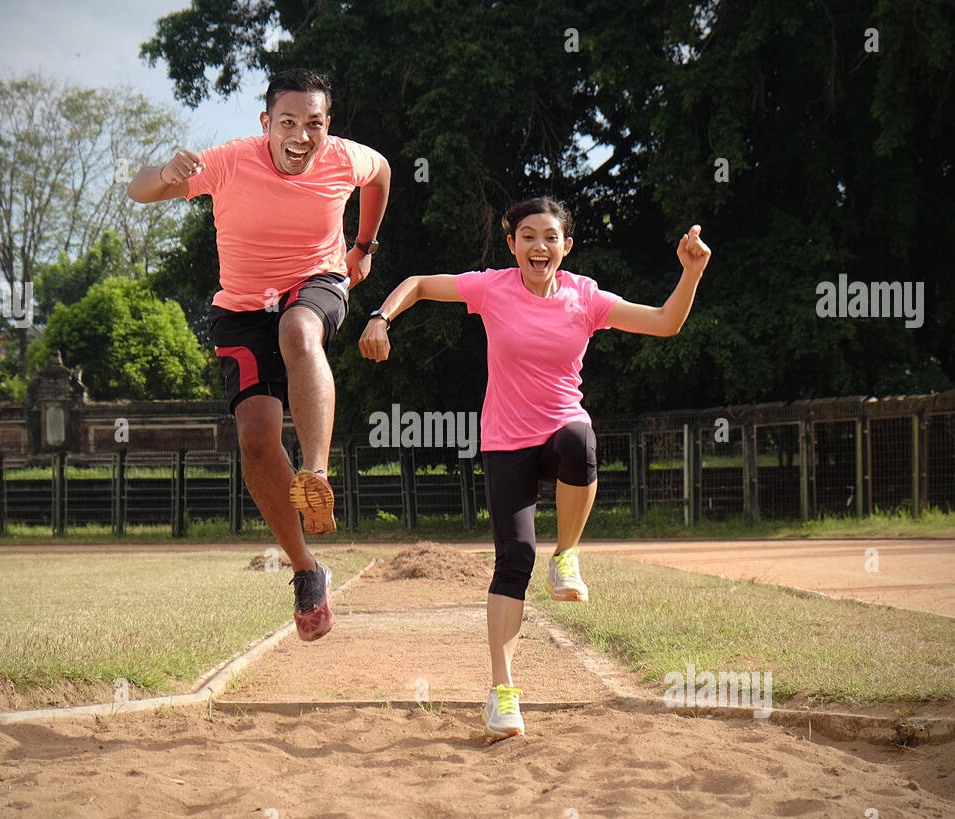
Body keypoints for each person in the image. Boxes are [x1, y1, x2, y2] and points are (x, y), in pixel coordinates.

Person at [359, 197, 710, 739]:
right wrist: (381, 316)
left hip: (559, 429)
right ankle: (503, 693)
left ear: (565, 247)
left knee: (580, 440)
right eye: (527, 236)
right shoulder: (492, 287)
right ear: (512, 246)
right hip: (505, 442)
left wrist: (690, 274)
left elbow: (665, 323)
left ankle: (567, 555)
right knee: (515, 557)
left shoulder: (585, 296)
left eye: (549, 236)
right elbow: (421, 283)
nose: (538, 246)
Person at [129, 68, 391, 642]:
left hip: (315, 280)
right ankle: (306, 570)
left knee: (300, 331)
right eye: (289, 123)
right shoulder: (227, 161)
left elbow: (383, 175)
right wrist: (163, 174)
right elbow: (139, 189)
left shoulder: (345, 159)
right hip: (243, 307)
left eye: (315, 125)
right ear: (265, 123)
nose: (302, 137)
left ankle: (316, 475)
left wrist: (364, 246)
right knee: (255, 432)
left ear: (329, 126)